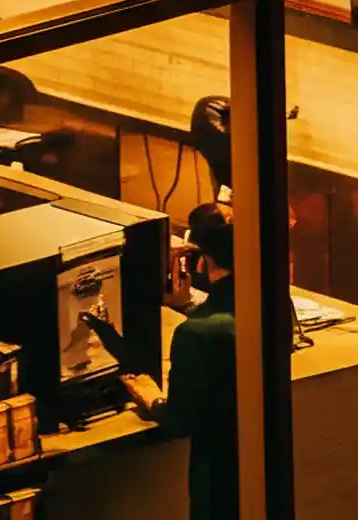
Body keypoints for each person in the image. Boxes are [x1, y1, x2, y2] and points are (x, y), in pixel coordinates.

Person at [124, 202, 239, 520]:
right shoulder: (272, 305)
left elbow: (181, 419)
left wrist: (151, 399)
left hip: (219, 481)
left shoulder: (195, 335)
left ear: (201, 261)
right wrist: (189, 302)